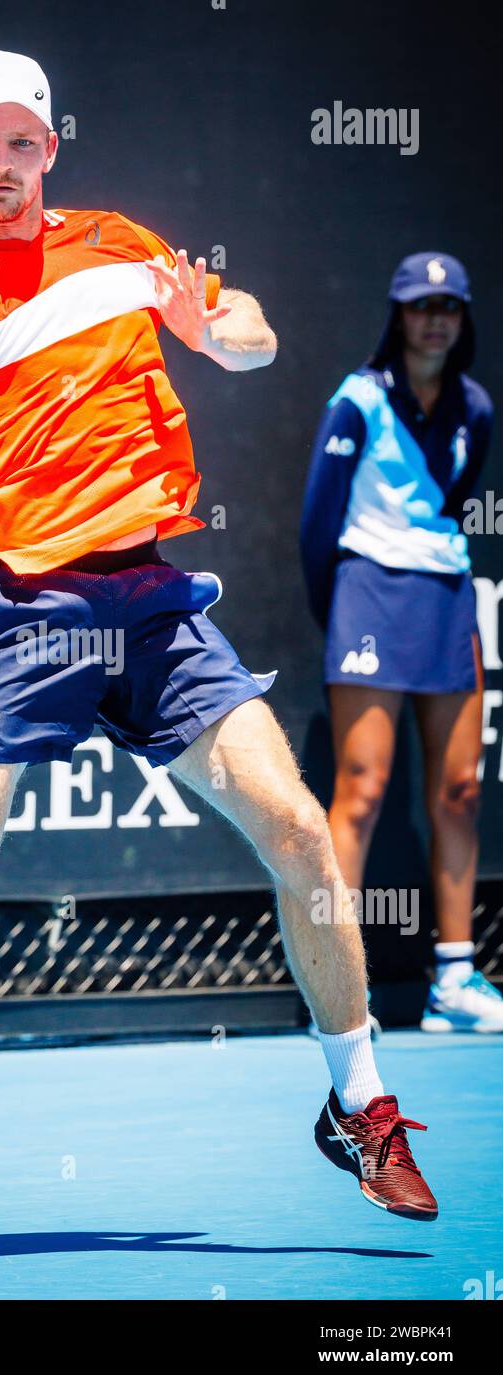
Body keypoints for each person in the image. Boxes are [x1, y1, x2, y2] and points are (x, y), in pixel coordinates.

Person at [0, 51, 438, 1268]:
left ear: (52, 148)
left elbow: (250, 332)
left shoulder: (118, 240)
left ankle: (357, 1104)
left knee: (301, 830)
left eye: (23, 142)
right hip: (22, 608)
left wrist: (215, 327)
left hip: (150, 599)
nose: (1, 165)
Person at [301, 251, 502, 1035]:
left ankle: (453, 983)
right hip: (368, 594)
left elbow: (456, 501)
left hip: (447, 597)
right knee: (362, 790)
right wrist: (343, 608)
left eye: (449, 306)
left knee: (461, 792)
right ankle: (341, 992)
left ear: (463, 318)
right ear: (399, 315)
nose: (435, 318)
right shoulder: (355, 401)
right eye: (422, 306)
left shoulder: (476, 407)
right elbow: (318, 523)